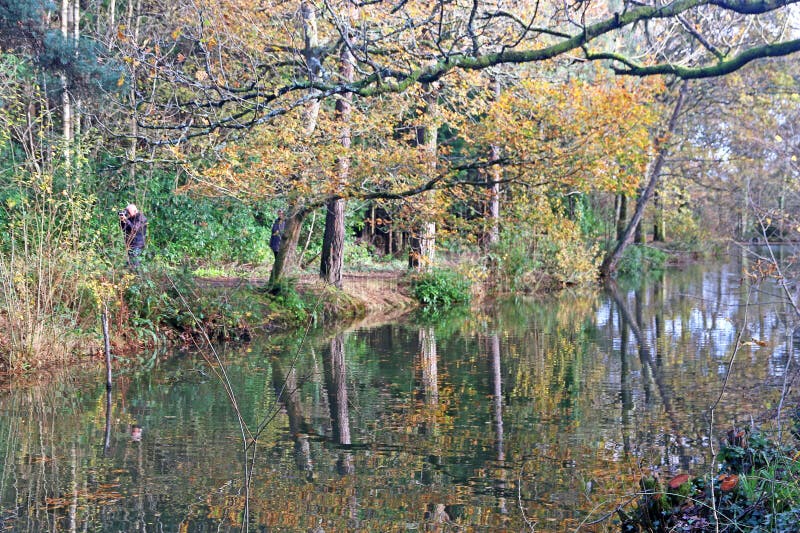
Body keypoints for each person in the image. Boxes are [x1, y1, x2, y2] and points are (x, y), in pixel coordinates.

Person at [120, 203, 147, 268]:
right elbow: (124, 229)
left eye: (129, 211)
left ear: (134, 210)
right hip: (130, 243)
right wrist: (122, 220)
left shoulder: (141, 218)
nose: (128, 213)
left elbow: (135, 229)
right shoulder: (131, 218)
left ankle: (137, 276)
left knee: (134, 262)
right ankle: (131, 276)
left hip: (137, 244)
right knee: (129, 263)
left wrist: (126, 220)